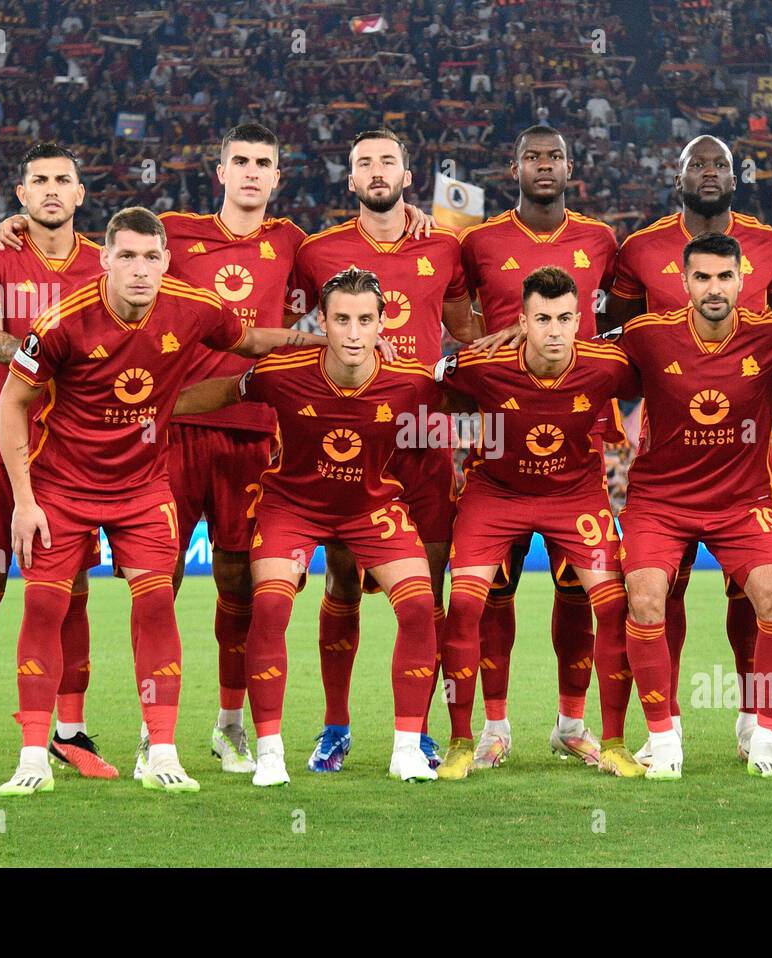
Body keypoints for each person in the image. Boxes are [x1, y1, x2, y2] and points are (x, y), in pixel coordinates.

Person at [0, 126, 438, 779]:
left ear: (277, 177)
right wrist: (18, 221)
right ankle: (152, 734)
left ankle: (230, 725)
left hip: (254, 431)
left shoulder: (295, 244)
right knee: (156, 582)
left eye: (264, 164)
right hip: (170, 428)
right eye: (241, 163)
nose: (252, 173)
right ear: (220, 171)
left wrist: (406, 220)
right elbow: (98, 244)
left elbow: (349, 290)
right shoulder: (171, 231)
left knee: (240, 583)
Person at [0, 207, 324, 796]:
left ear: (167, 261)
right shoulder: (61, 322)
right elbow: (12, 403)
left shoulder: (191, 305)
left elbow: (247, 340)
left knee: (155, 609)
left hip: (143, 489)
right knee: (44, 609)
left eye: (151, 257)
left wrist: (318, 340)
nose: (140, 269)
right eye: (127, 256)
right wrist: (24, 499)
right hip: (62, 488)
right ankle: (32, 756)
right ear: (106, 259)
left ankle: (162, 751)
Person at [175, 267, 443, 786]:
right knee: (271, 604)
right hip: (291, 505)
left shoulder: (411, 380)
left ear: (382, 323)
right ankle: (271, 752)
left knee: (418, 606)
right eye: (341, 319)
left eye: (365, 320)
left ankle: (407, 749)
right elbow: (230, 391)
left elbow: (479, 394)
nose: (352, 332)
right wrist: (156, 408)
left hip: (370, 507)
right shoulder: (281, 371)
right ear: (323, 320)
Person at [605, 134, 772, 764]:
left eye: (719, 163)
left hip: (742, 469)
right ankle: (662, 732)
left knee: (757, 598)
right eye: (696, 163)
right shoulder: (639, 252)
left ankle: (757, 722)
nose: (708, 173)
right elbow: (599, 346)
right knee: (654, 595)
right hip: (665, 471)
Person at [433, 266, 678, 780]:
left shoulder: (606, 364)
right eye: (542, 318)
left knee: (614, 607)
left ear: (579, 319)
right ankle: (465, 739)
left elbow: (668, 371)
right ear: (522, 321)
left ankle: (610, 740)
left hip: (575, 495)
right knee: (464, 606)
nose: (554, 330)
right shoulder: (483, 363)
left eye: (565, 318)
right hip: (495, 495)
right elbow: (428, 382)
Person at [287, 129, 479, 773]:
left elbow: (468, 334)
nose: (376, 170)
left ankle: (415, 734)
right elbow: (280, 327)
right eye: (363, 162)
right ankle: (335, 727)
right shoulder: (316, 253)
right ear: (350, 179)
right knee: (342, 580)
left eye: (387, 160)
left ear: (407, 172)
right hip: (351, 442)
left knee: (425, 589)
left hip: (425, 440)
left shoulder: (446, 245)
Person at [0, 143, 111, 787]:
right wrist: (63, 355)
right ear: (21, 194)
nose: (50, 189)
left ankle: (68, 731)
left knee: (71, 595)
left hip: (70, 455)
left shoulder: (103, 264)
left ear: (79, 194)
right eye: (38, 180)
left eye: (62, 180)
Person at [457, 125, 620, 769]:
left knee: (580, 591)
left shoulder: (602, 240)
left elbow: (626, 322)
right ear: (514, 166)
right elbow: (452, 311)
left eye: (555, 156)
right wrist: (478, 347)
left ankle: (571, 724)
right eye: (532, 156)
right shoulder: (479, 241)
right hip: (499, 441)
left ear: (570, 165)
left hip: (577, 438)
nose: (544, 166)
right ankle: (494, 729)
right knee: (491, 592)